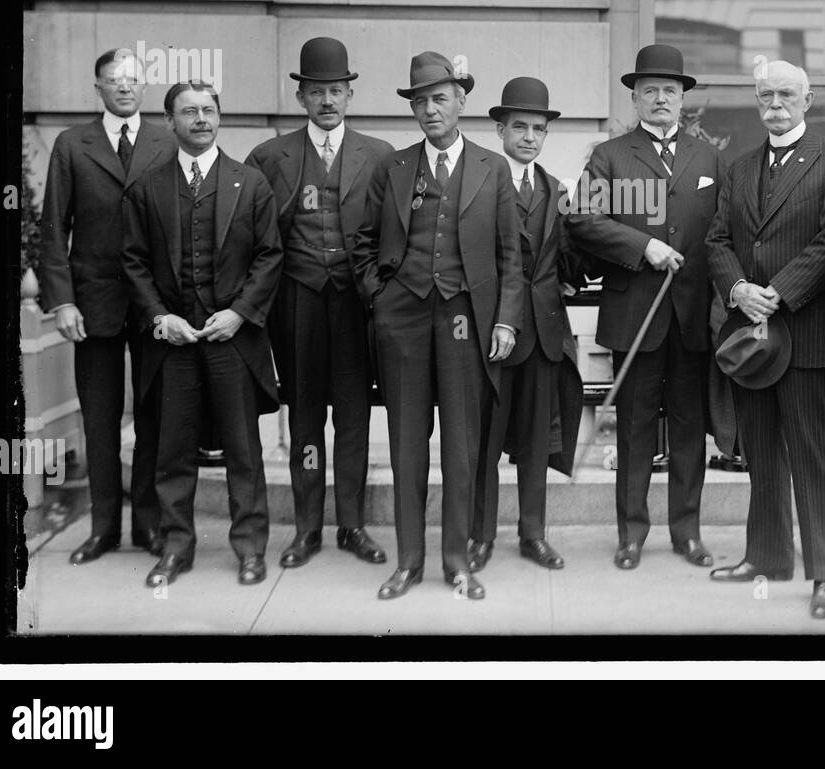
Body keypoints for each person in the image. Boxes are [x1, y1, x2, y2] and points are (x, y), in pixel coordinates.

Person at [352, 52, 523, 602]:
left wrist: (505, 322)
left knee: (462, 445)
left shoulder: (492, 168)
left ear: (461, 102)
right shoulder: (393, 167)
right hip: (402, 318)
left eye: (440, 98)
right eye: (420, 100)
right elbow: (362, 243)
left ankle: (456, 560)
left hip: (464, 320)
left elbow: (510, 257)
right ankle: (408, 563)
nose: (430, 109)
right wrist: (379, 297)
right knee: (406, 444)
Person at [706, 59, 825, 619]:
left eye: (786, 94)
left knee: (815, 455)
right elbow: (717, 239)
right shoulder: (740, 168)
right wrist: (741, 289)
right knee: (761, 451)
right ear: (756, 100)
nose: (775, 103)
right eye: (765, 94)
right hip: (752, 333)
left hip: (809, 330)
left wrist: (779, 291)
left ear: (808, 99)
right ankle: (767, 556)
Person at [122, 80, 283, 587]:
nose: (200, 120)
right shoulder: (148, 186)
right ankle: (175, 548)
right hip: (174, 342)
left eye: (208, 110)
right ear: (169, 122)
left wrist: (239, 312)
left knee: (243, 451)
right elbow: (133, 261)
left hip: (231, 339)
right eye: (188, 112)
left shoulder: (250, 182)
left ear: (220, 117)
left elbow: (269, 256)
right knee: (172, 451)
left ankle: (251, 549)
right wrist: (158, 318)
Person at [567, 44, 721, 570]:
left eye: (670, 92)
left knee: (687, 426)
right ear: (635, 98)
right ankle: (631, 533)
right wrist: (643, 246)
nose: (661, 99)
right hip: (635, 314)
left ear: (683, 100)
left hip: (691, 317)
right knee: (632, 428)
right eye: (650, 91)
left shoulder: (709, 159)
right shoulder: (610, 155)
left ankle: (688, 532)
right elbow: (582, 219)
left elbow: (724, 232)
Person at [245, 37, 394, 570]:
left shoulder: (378, 156)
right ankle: (307, 528)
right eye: (316, 92)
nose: (327, 101)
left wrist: (380, 291)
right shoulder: (269, 157)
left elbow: (392, 236)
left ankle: (352, 525)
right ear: (301, 97)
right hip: (298, 301)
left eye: (336, 90)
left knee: (354, 416)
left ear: (349, 95)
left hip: (355, 306)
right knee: (305, 416)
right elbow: (254, 237)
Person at [40, 48, 175, 565]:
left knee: (152, 417)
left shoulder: (166, 141)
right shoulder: (73, 145)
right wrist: (62, 303)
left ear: (143, 86)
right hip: (92, 303)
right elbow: (55, 229)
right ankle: (102, 528)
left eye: (132, 79)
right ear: (96, 87)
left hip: (151, 305)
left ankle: (148, 525)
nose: (123, 87)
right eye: (112, 80)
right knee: (98, 419)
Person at [468, 77, 586, 573]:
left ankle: (532, 532)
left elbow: (571, 263)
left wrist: (576, 268)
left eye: (539, 128)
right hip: (494, 333)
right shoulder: (478, 183)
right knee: (486, 442)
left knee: (537, 441)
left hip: (543, 335)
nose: (530, 137)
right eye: (520, 127)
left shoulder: (557, 190)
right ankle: (480, 536)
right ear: (500, 129)